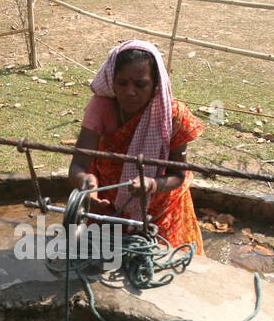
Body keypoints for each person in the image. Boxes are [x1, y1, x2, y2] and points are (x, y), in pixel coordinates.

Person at [69, 40, 205, 255]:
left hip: (159, 206)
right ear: (112, 82)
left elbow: (177, 175)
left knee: (161, 261)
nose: (130, 92)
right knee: (103, 260)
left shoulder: (173, 116)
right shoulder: (101, 107)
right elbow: (78, 164)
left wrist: (151, 184)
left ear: (154, 85)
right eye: (122, 83)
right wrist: (86, 183)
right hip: (107, 205)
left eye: (140, 85)